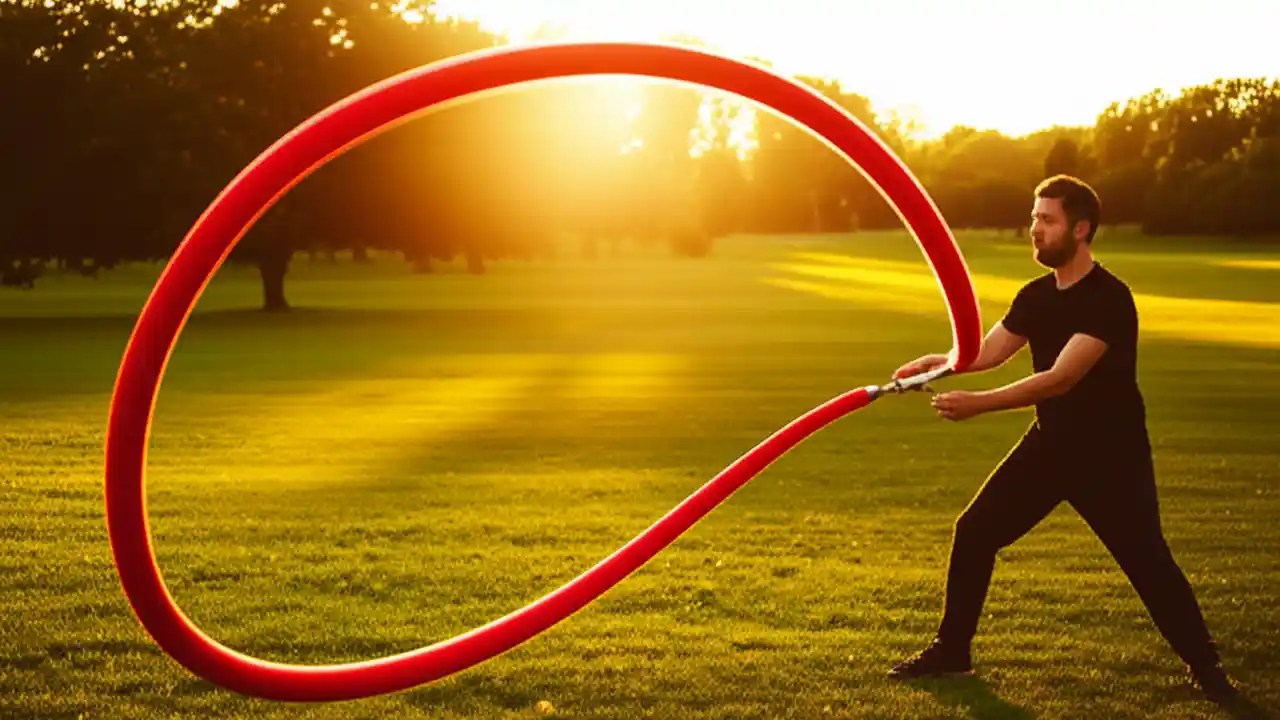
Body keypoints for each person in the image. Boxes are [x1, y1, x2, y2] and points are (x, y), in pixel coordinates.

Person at [886, 175, 1237, 703]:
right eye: (1034, 218)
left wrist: (978, 405)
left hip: (1110, 455)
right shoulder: (1035, 296)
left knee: (1147, 559)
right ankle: (952, 652)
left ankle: (1206, 668)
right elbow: (987, 353)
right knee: (976, 531)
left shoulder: (1110, 299)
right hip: (1053, 446)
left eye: (1046, 221)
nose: (1035, 230)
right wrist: (935, 367)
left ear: (1081, 229)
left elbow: (1060, 378)